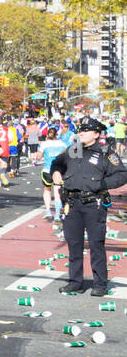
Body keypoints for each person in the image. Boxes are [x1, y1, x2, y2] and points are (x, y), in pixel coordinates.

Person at [51, 118, 127, 297]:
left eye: (86, 130)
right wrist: (55, 171)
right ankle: (75, 282)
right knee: (74, 244)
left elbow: (122, 175)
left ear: (96, 134)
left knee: (96, 244)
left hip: (94, 203)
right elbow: (56, 163)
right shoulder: (72, 150)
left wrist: (101, 184)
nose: (81, 133)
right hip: (72, 203)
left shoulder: (105, 152)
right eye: (80, 130)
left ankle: (100, 283)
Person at [39, 126, 69, 221]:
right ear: (57, 134)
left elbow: (38, 156)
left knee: (47, 190)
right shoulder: (63, 144)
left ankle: (48, 211)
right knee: (57, 192)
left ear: (47, 135)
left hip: (47, 170)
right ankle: (56, 214)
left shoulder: (44, 144)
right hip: (58, 172)